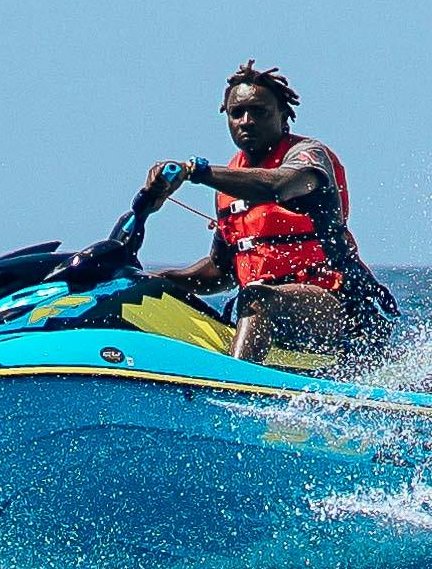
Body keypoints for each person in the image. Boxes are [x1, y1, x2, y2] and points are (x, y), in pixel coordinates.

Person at [141, 62, 399, 366]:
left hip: (337, 307)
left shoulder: (308, 157)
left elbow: (278, 186)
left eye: (259, 112)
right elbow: (220, 271)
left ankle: (233, 387)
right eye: (237, 113)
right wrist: (155, 280)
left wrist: (196, 171)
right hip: (269, 311)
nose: (246, 121)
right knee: (164, 292)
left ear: (283, 115)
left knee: (255, 298)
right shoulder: (228, 184)